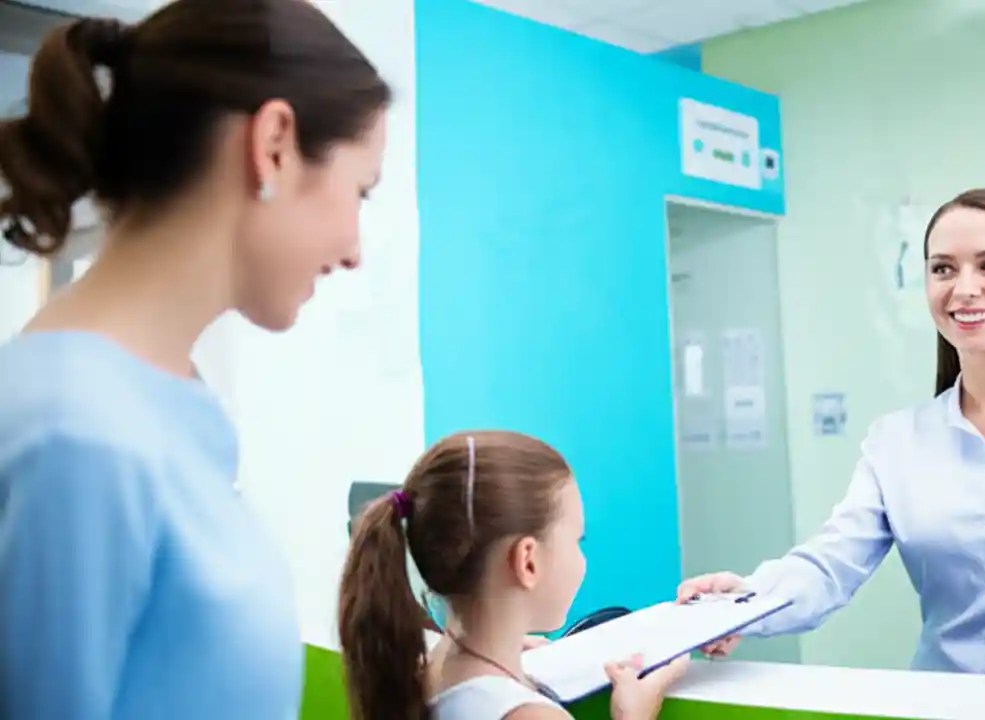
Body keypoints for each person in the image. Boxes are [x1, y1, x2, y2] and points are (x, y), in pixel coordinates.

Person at [0, 1, 391, 718]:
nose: (355, 247)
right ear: (274, 143)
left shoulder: (166, 407)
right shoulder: (73, 437)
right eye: (360, 190)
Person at [678, 188, 985, 686]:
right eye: (943, 269)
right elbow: (831, 564)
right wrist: (743, 602)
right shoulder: (896, 439)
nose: (964, 289)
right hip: (940, 705)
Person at [338, 430, 689, 720]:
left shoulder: (426, 672)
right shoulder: (529, 716)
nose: (582, 557)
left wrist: (510, 669)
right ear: (528, 561)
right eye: (577, 540)